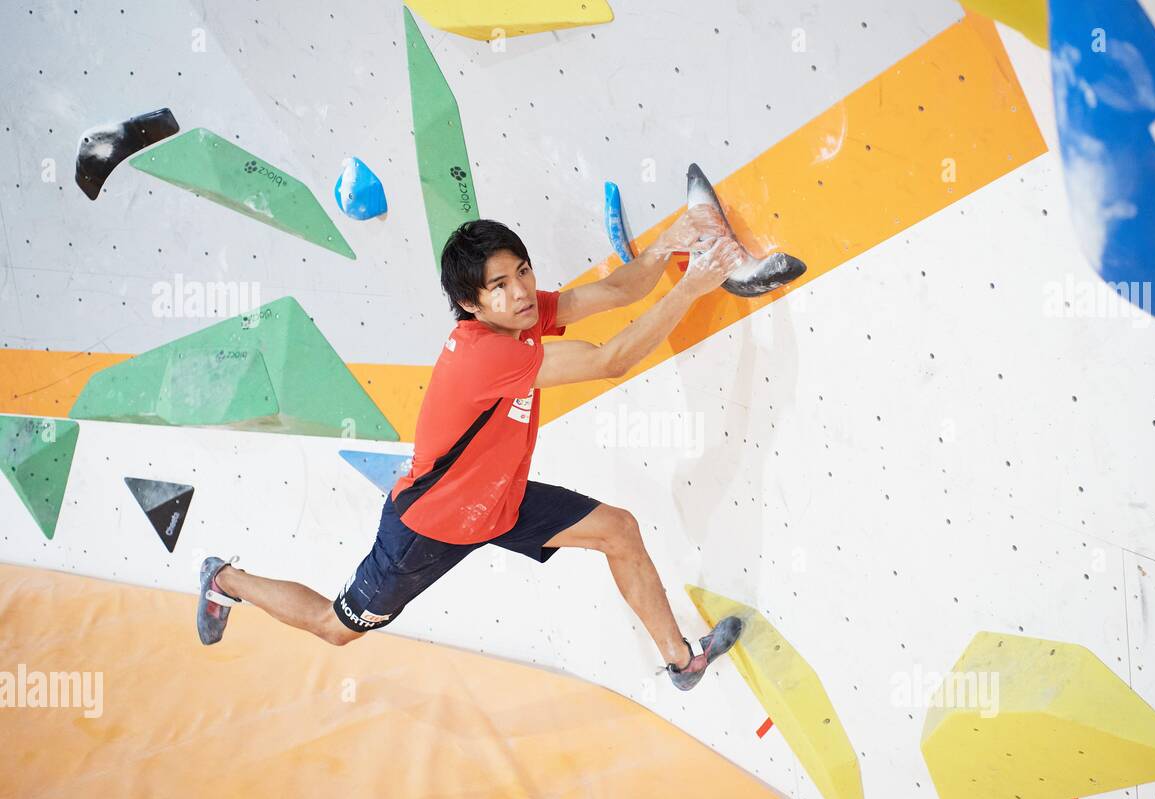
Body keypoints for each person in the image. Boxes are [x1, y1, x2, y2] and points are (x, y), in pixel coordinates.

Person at [197, 207, 745, 690]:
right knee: (336, 628)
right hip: (429, 528)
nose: (522, 291)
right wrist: (691, 286)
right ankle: (225, 579)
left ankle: (681, 663)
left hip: (499, 505)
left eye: (523, 272)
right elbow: (609, 361)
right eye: (500, 285)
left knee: (618, 530)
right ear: (470, 303)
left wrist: (670, 240)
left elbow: (619, 292)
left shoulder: (521, 319)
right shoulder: (483, 355)